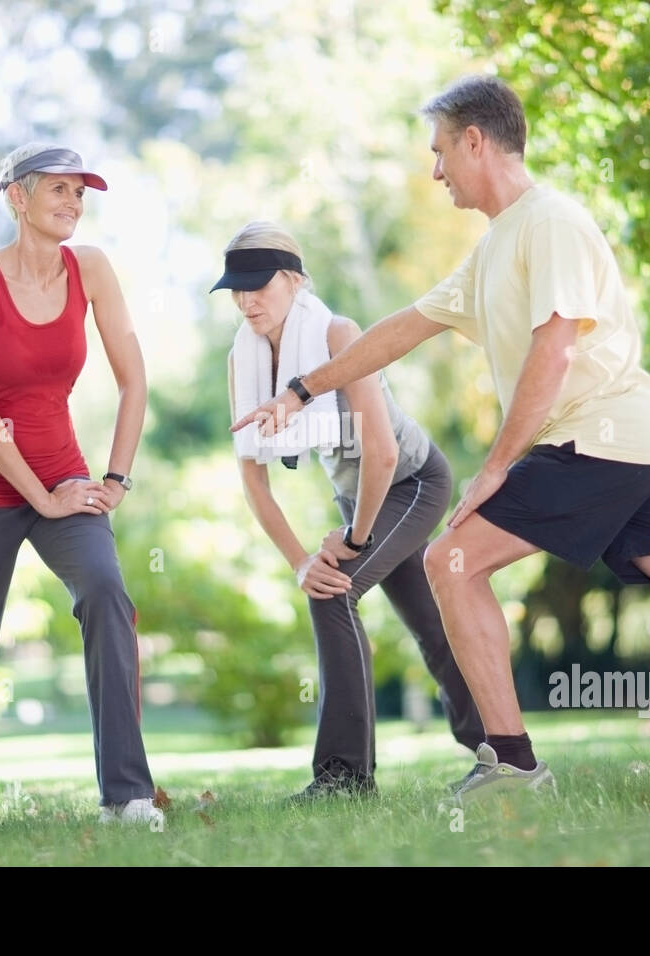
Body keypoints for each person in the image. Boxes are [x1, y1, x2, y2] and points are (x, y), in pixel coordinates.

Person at [233, 76, 650, 805]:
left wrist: (496, 467)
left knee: (453, 558)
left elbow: (555, 349)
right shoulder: (496, 245)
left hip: (596, 441)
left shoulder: (550, 221)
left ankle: (513, 765)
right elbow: (403, 329)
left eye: (440, 151)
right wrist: (303, 389)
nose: (435, 170)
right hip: (619, 444)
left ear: (476, 141)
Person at [0, 143, 162, 827]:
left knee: (107, 594)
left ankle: (128, 797)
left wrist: (115, 477)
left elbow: (135, 378)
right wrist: (39, 497)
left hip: (65, 477)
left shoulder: (92, 268)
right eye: (58, 191)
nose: (73, 205)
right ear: (16, 197)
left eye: (80, 193)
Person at [215, 221, 483, 801]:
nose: (246, 300)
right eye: (236, 288)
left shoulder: (338, 333)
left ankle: (344, 776)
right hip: (358, 496)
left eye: (258, 284)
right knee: (430, 627)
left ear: (293, 280)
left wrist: (353, 544)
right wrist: (299, 563)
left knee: (334, 591)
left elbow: (383, 454)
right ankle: (502, 750)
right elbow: (255, 483)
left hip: (411, 482)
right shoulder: (245, 359)